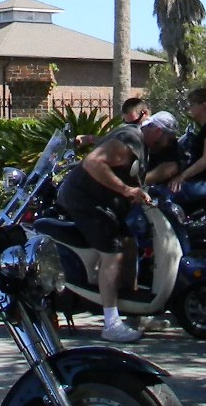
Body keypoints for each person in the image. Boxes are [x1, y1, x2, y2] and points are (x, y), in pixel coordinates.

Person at [54, 118, 153, 343]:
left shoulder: (131, 138)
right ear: (154, 130)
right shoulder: (131, 139)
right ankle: (111, 323)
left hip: (102, 204)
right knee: (113, 253)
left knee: (129, 244)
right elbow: (92, 162)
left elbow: (105, 143)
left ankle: (136, 314)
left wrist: (90, 139)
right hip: (84, 202)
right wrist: (127, 189)